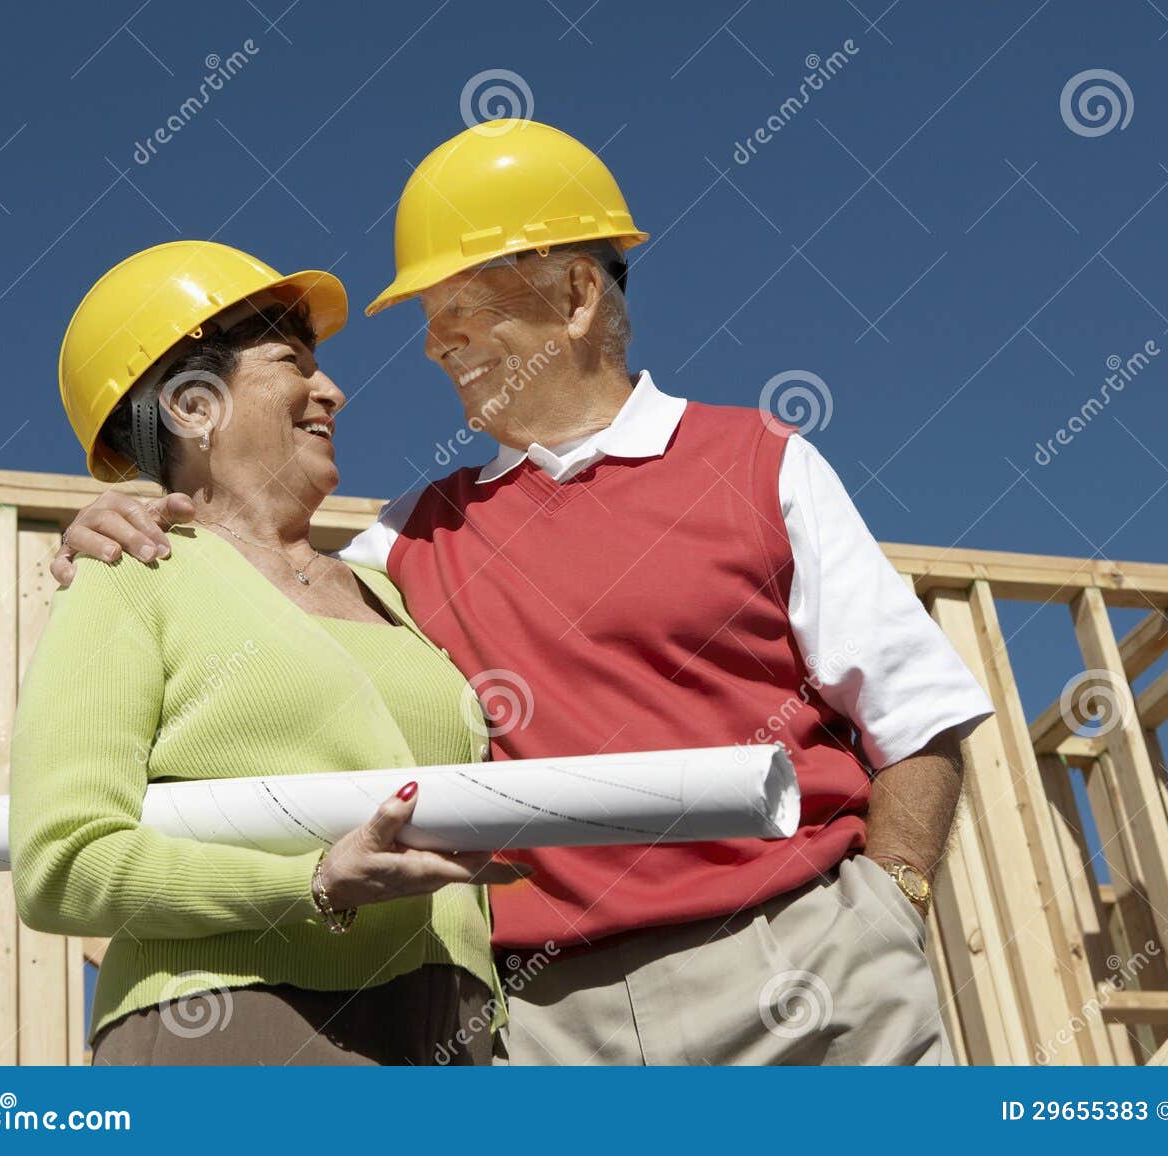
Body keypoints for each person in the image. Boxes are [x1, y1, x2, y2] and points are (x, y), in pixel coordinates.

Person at [52, 122, 994, 1065]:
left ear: (578, 295)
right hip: (547, 1024)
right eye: (428, 317)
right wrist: (122, 514)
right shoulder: (409, 539)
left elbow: (914, 717)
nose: (432, 345)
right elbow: (253, 574)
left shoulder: (759, 464)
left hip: (803, 967)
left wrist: (891, 908)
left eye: (458, 307)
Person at [11, 240, 523, 1066]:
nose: (333, 390)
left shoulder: (385, 592)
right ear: (192, 403)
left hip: (450, 1028)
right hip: (233, 1026)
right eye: (292, 362)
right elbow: (61, 862)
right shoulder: (133, 573)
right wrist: (309, 887)